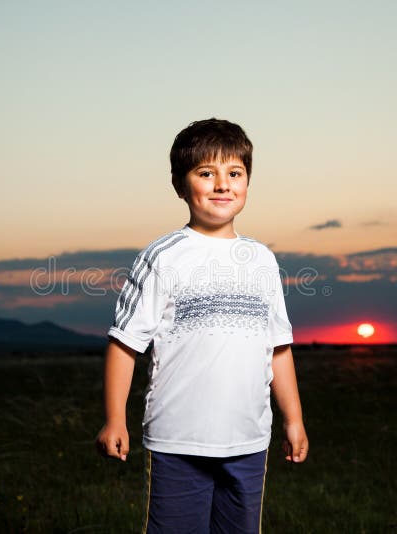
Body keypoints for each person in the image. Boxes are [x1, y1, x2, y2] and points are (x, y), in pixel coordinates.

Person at [95, 118, 308, 533]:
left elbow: (278, 347)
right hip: (178, 439)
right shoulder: (163, 256)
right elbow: (124, 344)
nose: (222, 184)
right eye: (206, 173)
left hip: (248, 440)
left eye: (235, 173)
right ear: (180, 184)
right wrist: (114, 418)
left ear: (248, 181)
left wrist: (294, 419)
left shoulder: (262, 260)